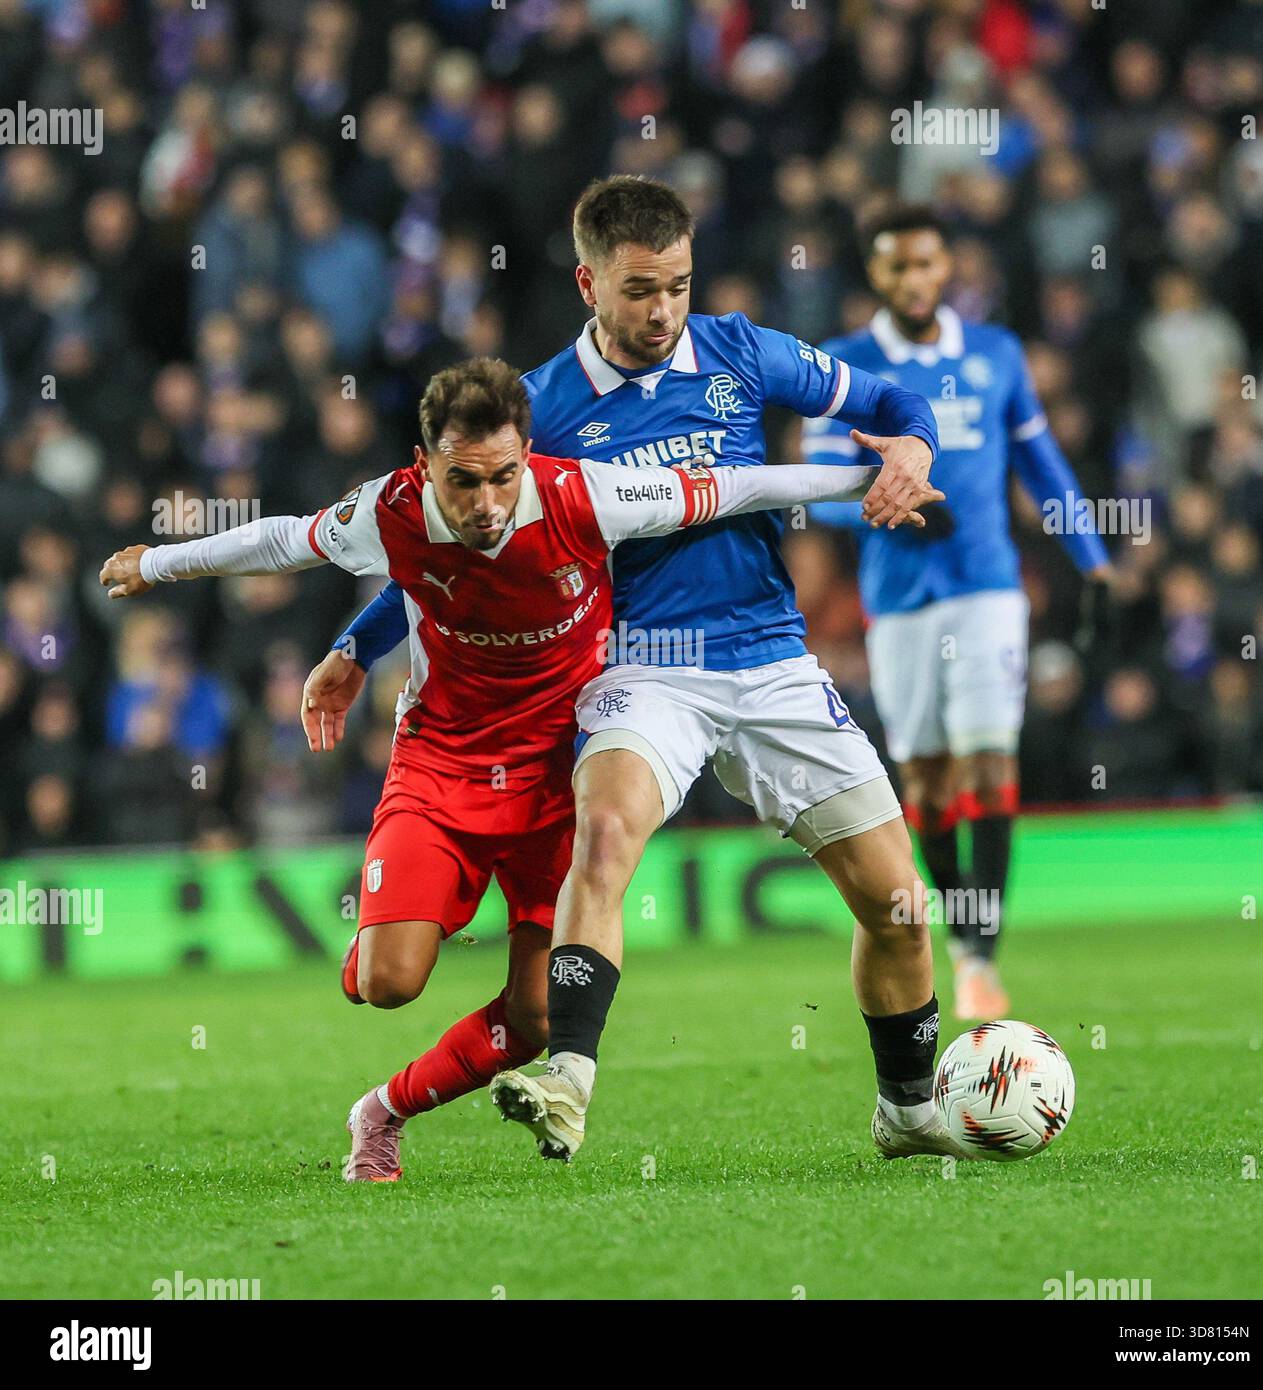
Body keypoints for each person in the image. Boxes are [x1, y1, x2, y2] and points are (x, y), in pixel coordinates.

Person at [323, 176, 990, 1168]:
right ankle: (570, 1081)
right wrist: (354, 647)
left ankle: (903, 1107)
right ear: (588, 281)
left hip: (769, 659)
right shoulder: (541, 407)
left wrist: (912, 446)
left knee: (899, 907)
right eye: (639, 290)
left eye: (677, 284)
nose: (662, 310)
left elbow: (894, 401)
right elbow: (443, 553)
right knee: (607, 830)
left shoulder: (739, 348)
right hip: (640, 667)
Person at [100, 355, 884, 1179]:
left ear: (526, 454)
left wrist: (868, 477)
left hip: (556, 770)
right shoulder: (388, 511)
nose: (486, 504)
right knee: (390, 984)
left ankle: (382, 1111)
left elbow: (736, 486)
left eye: (504, 477)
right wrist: (155, 564)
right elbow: (280, 541)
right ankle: (379, 942)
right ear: (424, 462)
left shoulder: (587, 493)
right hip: (444, 764)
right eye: (462, 481)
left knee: (538, 1015)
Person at [803, 206, 1113, 1021]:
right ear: (876, 275)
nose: (914, 280)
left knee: (990, 759)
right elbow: (817, 493)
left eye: (927, 264)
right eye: (897, 267)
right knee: (929, 781)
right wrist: (889, 502)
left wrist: (1092, 558)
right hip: (900, 600)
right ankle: (965, 936)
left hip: (987, 586)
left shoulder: (995, 354)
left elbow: (1042, 463)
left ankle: (979, 954)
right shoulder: (844, 367)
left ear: (949, 270)